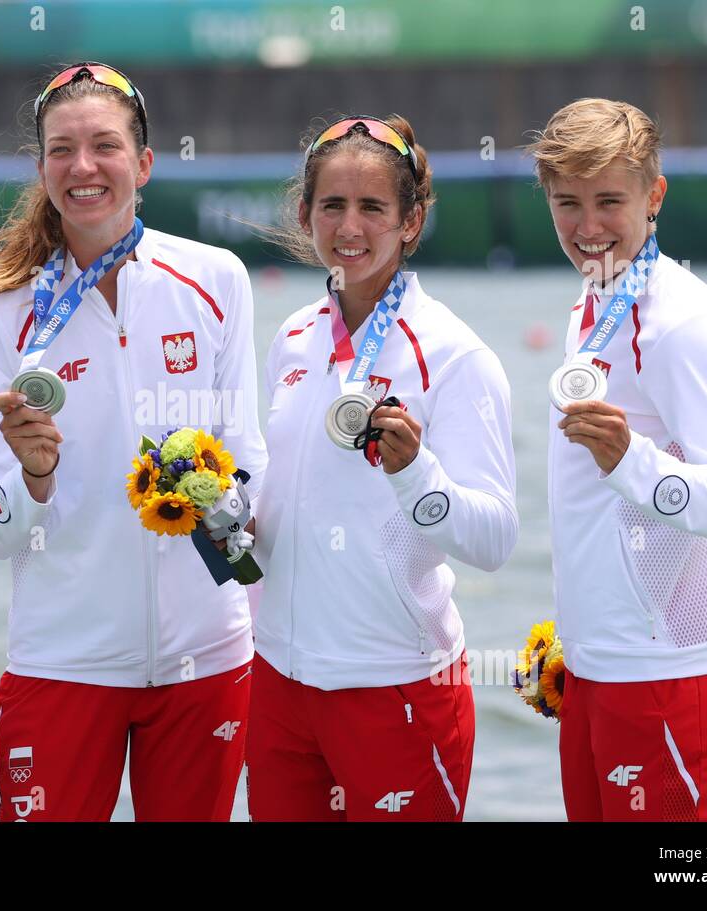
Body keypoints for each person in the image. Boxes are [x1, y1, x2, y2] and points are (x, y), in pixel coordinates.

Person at [0, 62, 266, 821]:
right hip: (63, 663)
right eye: (62, 150)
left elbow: (252, 459)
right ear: (40, 169)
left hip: (207, 658)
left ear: (145, 164)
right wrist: (32, 480)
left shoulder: (215, 278)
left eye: (104, 146)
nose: (83, 167)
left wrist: (220, 496)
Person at [247, 115, 518, 821]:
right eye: (332, 205)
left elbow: (493, 541)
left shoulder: (455, 355)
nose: (349, 227)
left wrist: (414, 473)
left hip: (397, 688)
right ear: (305, 214)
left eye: (372, 207)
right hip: (278, 683)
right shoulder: (292, 337)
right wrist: (230, 516)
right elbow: (292, 498)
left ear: (411, 221)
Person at [527, 98, 707, 821]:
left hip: (671, 674)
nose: (588, 227)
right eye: (567, 203)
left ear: (654, 195)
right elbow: (593, 512)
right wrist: (580, 637)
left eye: (609, 201)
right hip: (601, 667)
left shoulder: (684, 325)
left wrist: (630, 460)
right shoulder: (593, 303)